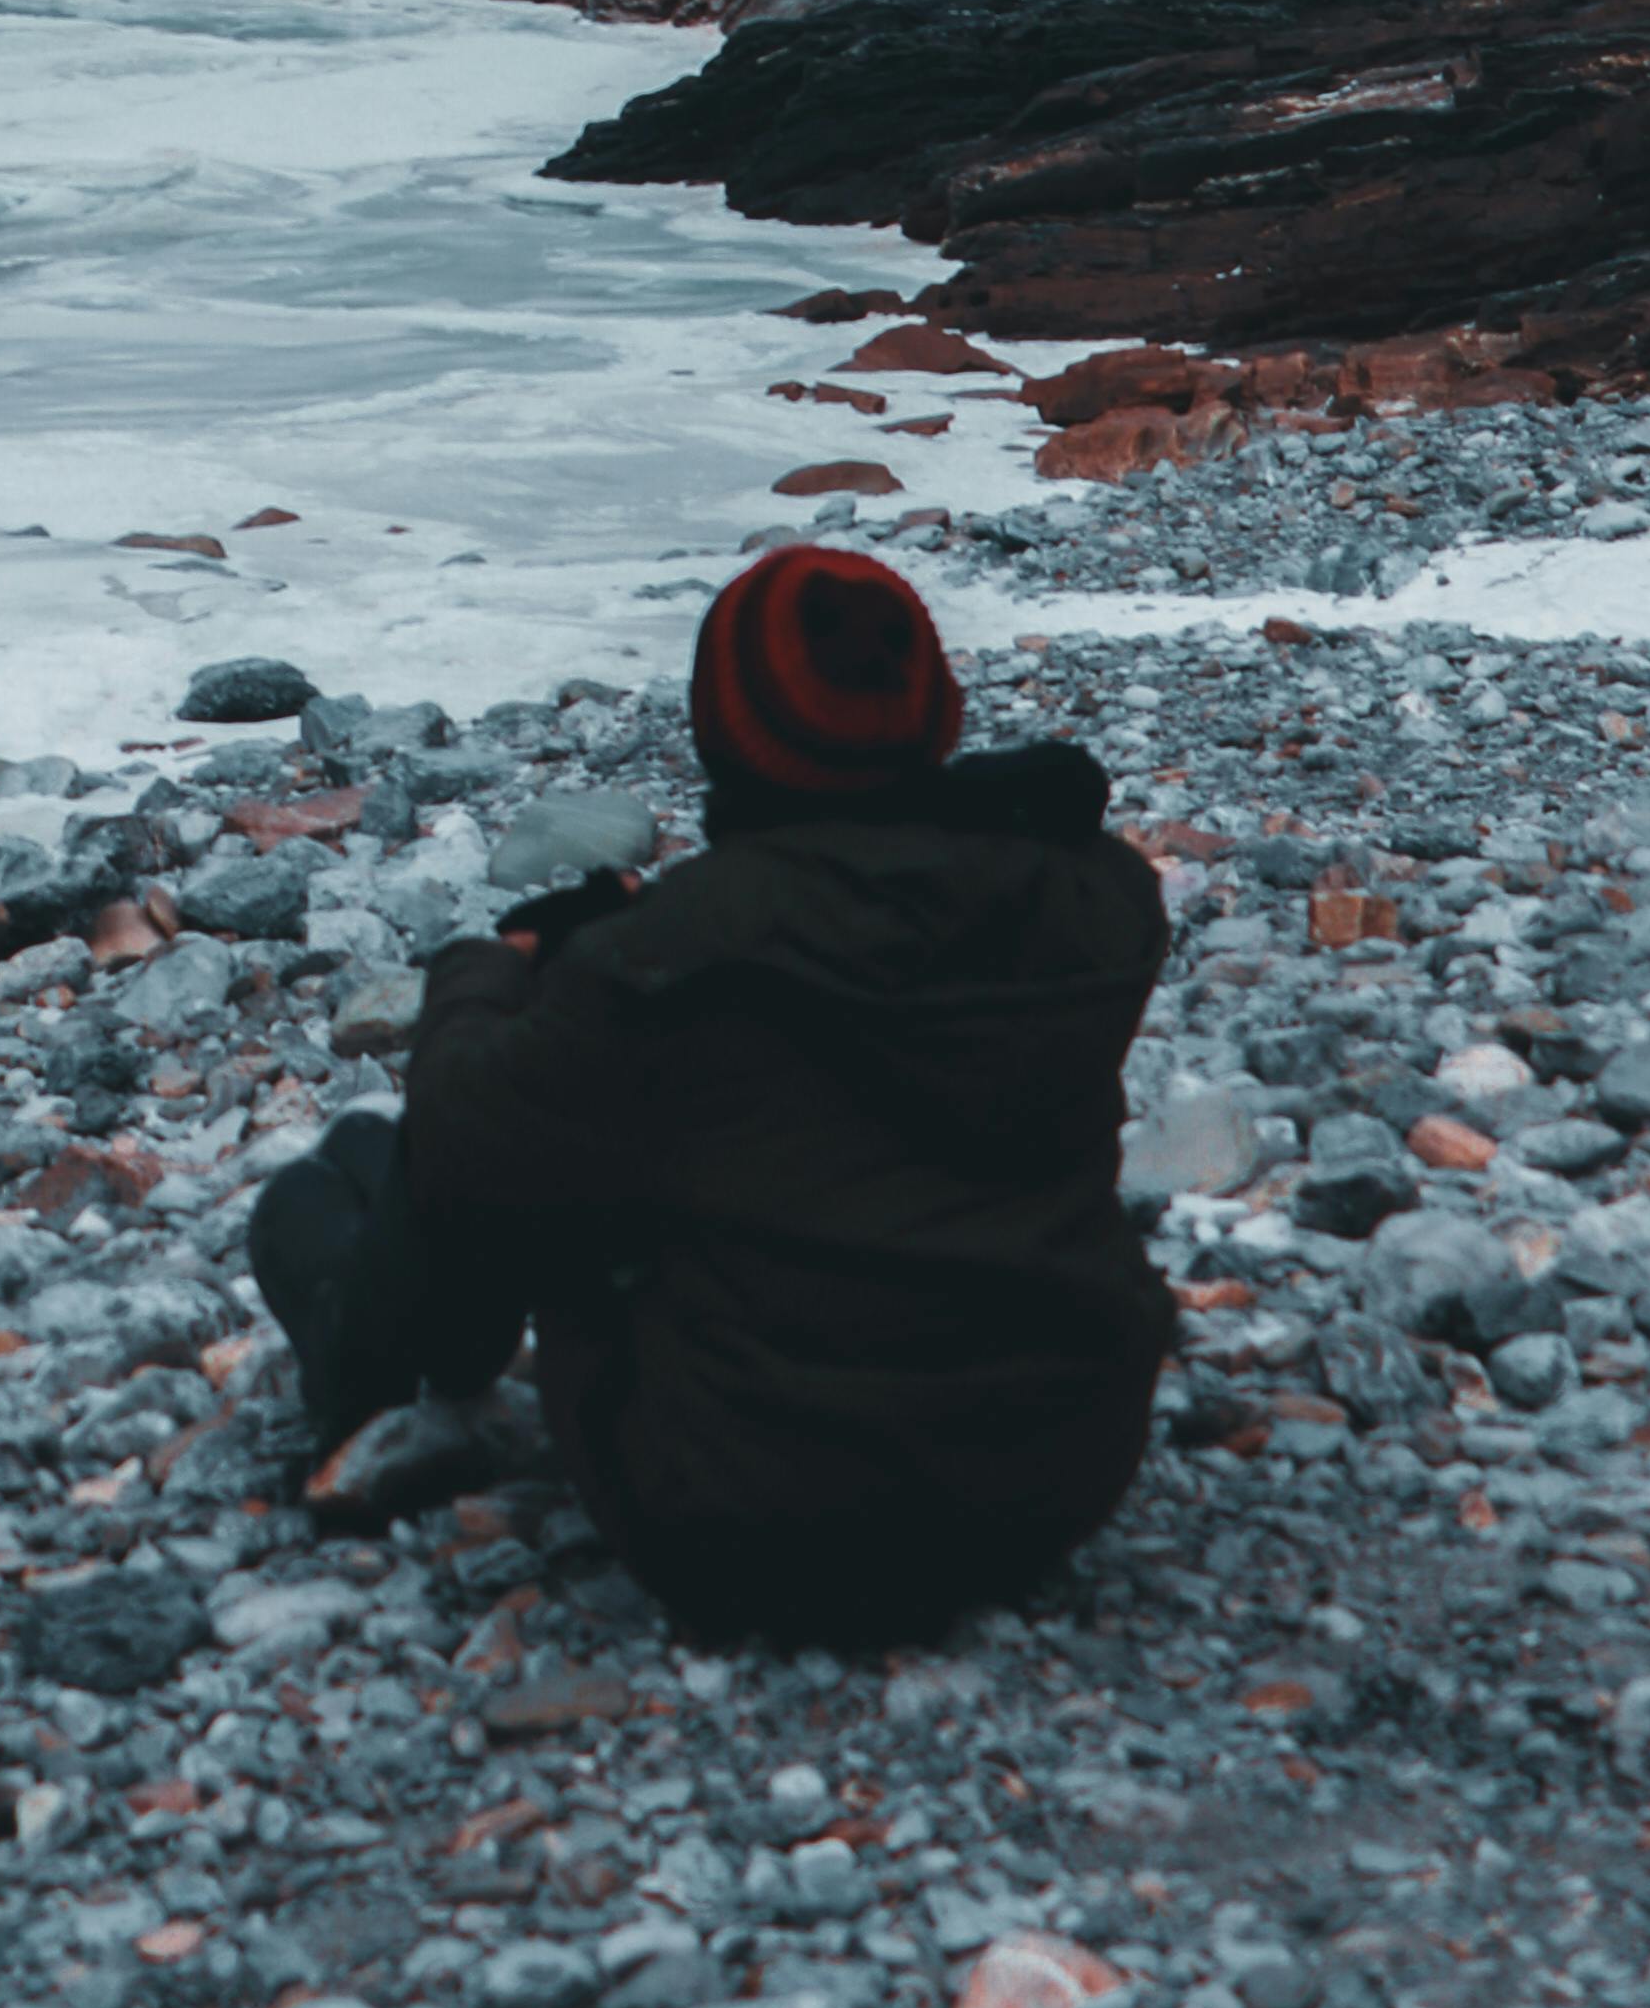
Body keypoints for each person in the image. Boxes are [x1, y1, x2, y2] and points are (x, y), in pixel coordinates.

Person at [247, 546, 1174, 1646]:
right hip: (1053, 1477)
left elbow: (460, 1141)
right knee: (627, 1131)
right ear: (934, 714)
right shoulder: (1096, 902)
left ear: (719, 733)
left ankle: (365, 1403)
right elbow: (862, 962)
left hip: (750, 1518)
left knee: (334, 1188)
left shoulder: (674, 957)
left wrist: (490, 968)